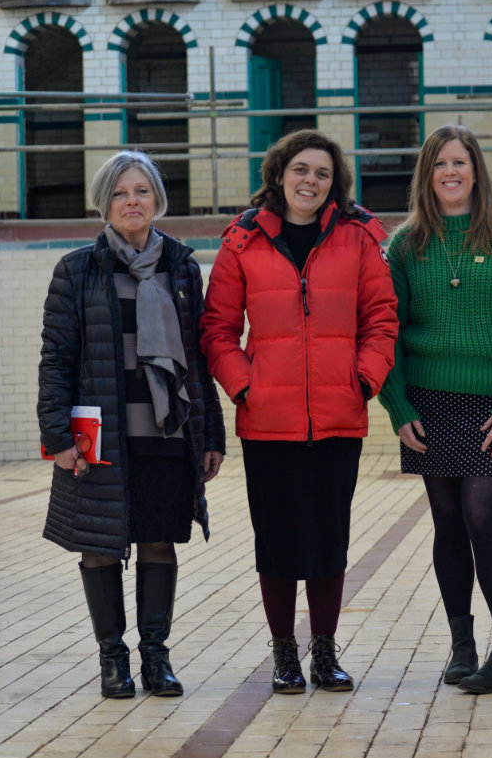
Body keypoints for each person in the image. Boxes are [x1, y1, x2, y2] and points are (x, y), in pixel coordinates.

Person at [200, 130, 397, 695]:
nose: (311, 180)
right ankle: (284, 654)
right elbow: (217, 329)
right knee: (278, 542)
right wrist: (245, 387)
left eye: (323, 174)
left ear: (335, 184)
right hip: (268, 421)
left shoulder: (357, 237)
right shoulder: (243, 239)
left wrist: (361, 380)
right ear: (280, 173)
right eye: (301, 169)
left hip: (338, 417)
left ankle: (325, 654)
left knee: (330, 541)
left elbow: (382, 318)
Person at [38, 150, 226, 699]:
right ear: (105, 203)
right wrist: (56, 437)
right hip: (101, 439)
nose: (132, 202)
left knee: (159, 544)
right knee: (98, 548)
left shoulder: (182, 267)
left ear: (157, 200)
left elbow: (198, 357)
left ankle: (156, 658)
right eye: (120, 193)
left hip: (166, 436)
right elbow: (56, 359)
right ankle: (112, 659)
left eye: (141, 191)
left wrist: (211, 434)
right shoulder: (76, 270)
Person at [378, 124, 492, 694]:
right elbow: (385, 334)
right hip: (426, 403)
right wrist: (398, 405)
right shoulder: (405, 245)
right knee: (448, 521)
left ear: (477, 169)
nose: (450, 172)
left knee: (481, 516)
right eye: (439, 164)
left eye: (460, 162)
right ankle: (462, 647)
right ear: (426, 174)